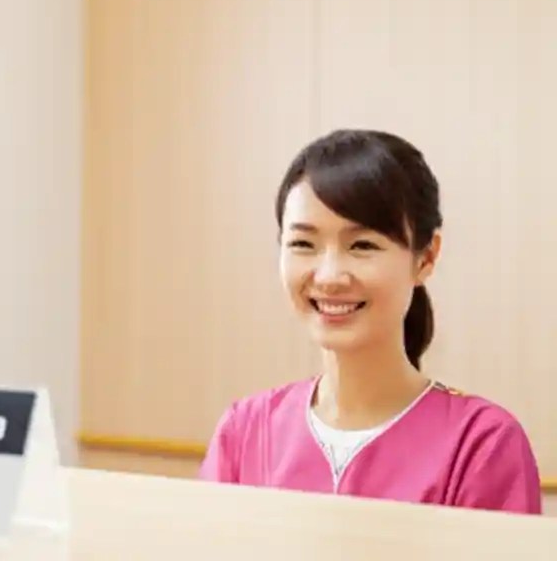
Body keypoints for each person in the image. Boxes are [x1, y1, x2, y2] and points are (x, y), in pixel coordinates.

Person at [198, 128, 542, 515]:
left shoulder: (481, 444)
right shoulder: (245, 431)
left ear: (426, 258)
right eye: (303, 244)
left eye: (362, 245)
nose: (329, 276)